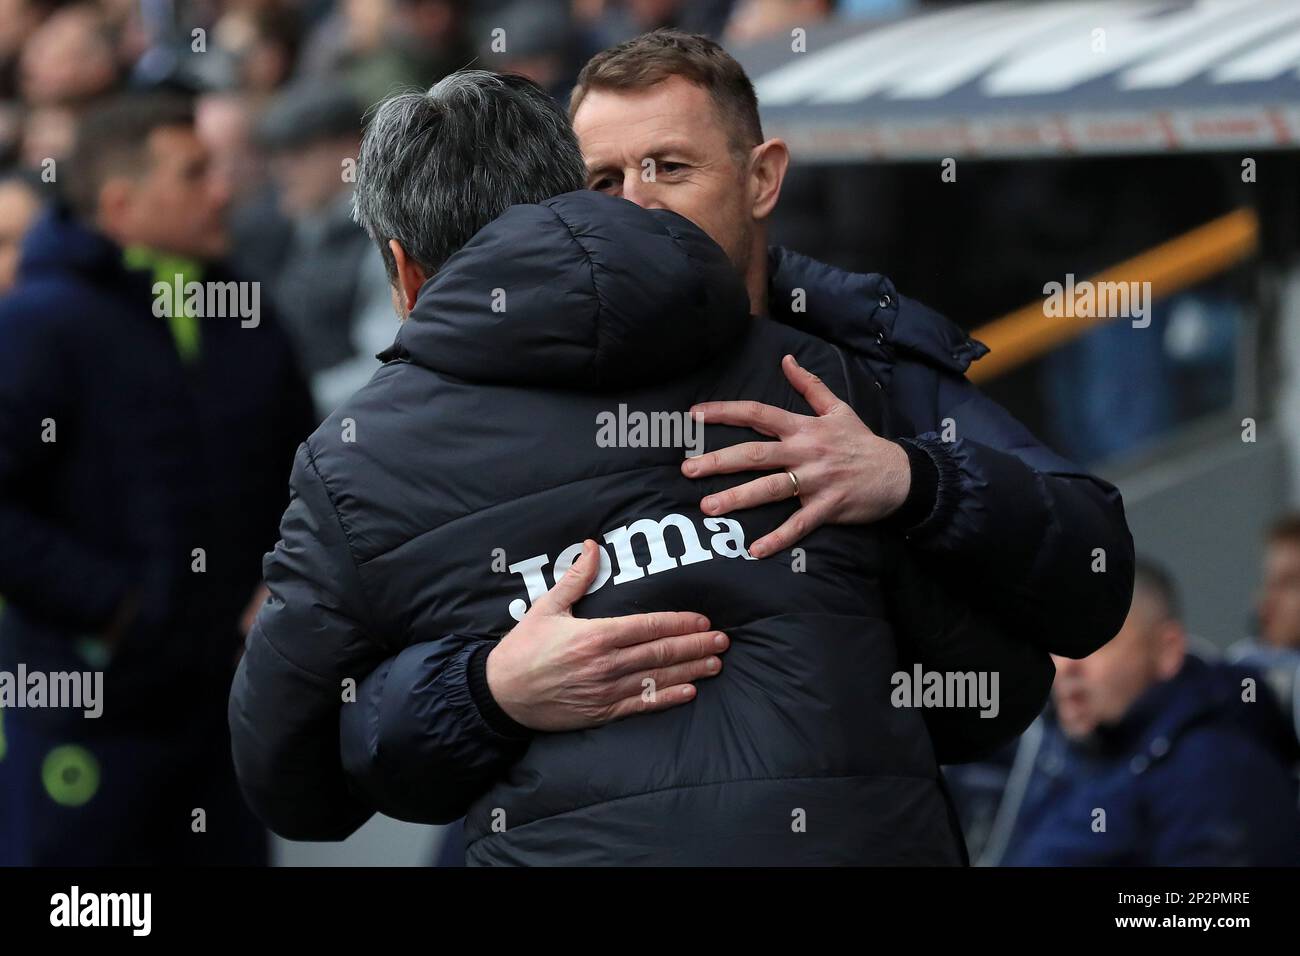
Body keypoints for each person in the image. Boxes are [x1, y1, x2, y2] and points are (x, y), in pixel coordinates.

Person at [229, 69, 1055, 865]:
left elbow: (291, 780)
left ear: (405, 270)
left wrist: (479, 692)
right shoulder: (804, 370)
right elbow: (995, 688)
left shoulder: (355, 462)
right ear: (575, 192)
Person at [0, 92, 314, 864]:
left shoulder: (243, 311)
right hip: (87, 715)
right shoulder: (41, 324)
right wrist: (116, 609)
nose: (223, 189)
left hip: (227, 711)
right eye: (193, 173)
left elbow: (311, 469)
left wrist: (287, 581)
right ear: (121, 202)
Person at [985, 560, 1300, 866]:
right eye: (1057, 644)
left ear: (1167, 650)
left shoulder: (1213, 766)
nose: (1067, 666)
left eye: (1094, 641)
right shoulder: (1077, 752)